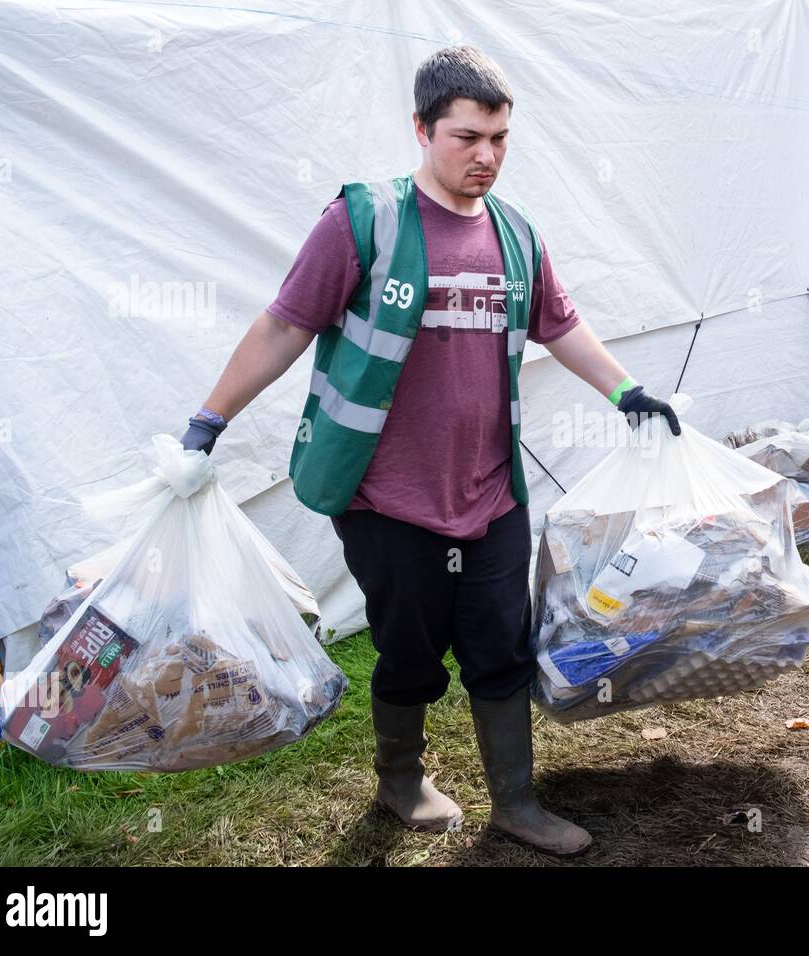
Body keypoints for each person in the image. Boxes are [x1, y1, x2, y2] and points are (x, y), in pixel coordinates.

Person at [178, 47, 681, 857]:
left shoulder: (516, 235)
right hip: (384, 497)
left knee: (502, 645)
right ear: (421, 128)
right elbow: (284, 323)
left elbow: (561, 323)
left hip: (490, 495)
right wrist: (209, 421)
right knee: (408, 648)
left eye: (501, 138)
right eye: (466, 137)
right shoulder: (362, 220)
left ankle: (516, 803)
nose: (485, 156)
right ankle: (401, 781)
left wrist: (627, 391)